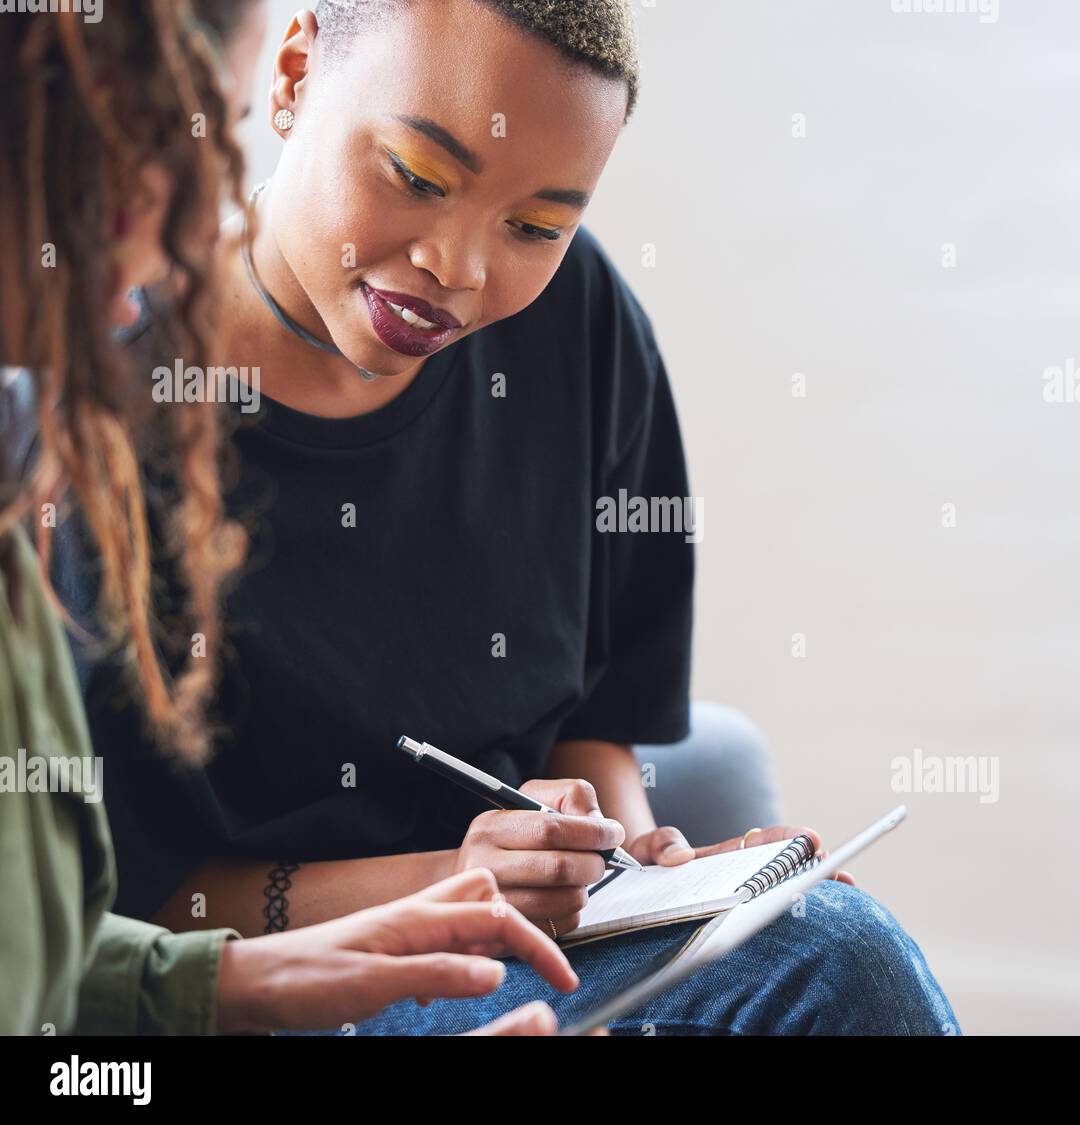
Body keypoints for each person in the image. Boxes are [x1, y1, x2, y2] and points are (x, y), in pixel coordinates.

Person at [60, 0, 961, 1034]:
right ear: (296, 71)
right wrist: (450, 880)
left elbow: (593, 722)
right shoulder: (104, 412)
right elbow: (119, 917)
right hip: (273, 990)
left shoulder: (580, 328)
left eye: (535, 225)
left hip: (529, 949)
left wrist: (634, 870)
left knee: (828, 953)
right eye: (416, 175)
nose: (459, 266)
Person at [0, 0, 573, 1036]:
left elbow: (43, 964)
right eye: (198, 138)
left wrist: (252, 980)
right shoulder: (74, 455)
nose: (209, 211)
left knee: (831, 952)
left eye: (535, 226)